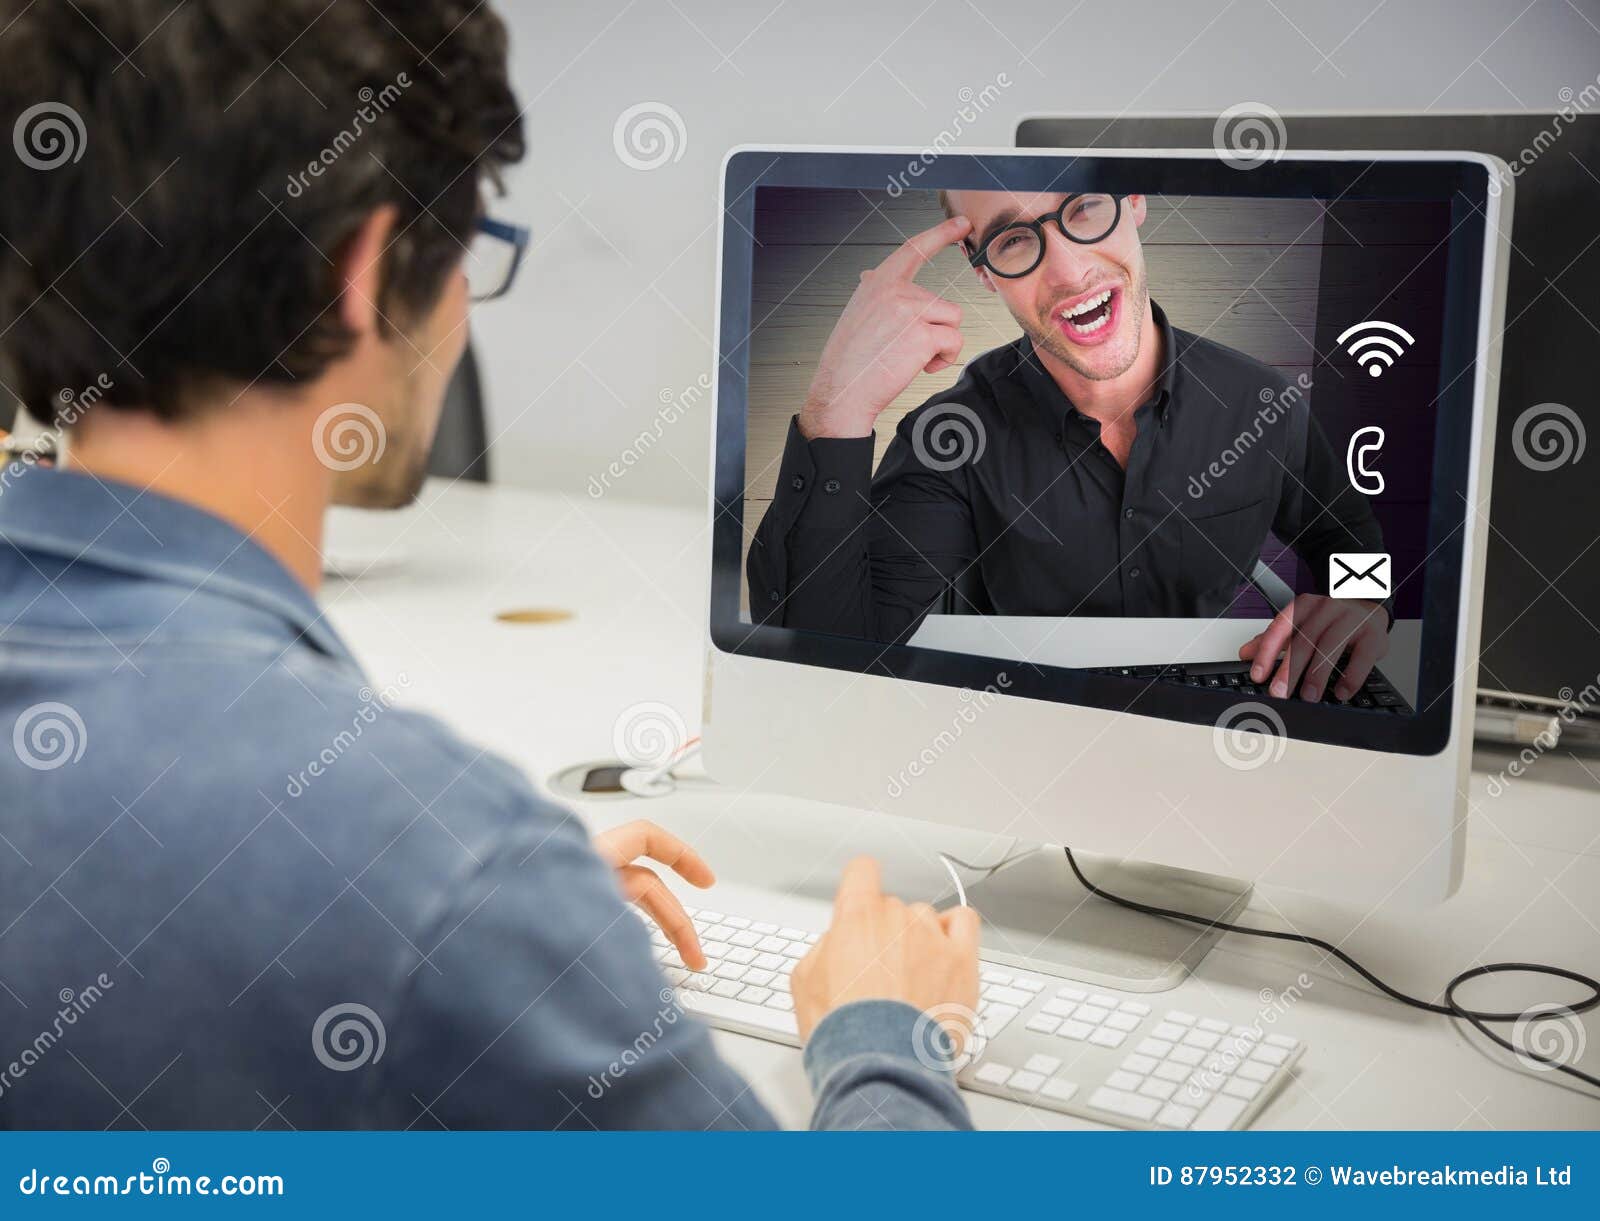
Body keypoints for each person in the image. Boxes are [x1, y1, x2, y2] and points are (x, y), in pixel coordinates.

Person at [0, 0, 978, 1130]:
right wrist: (886, 1036)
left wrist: (494, 935)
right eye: (471, 256)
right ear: (365, 270)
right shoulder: (426, 860)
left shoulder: (422, 866)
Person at [748, 189, 1391, 704]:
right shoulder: (950, 440)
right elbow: (827, 668)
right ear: (985, 275)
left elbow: (1349, 534)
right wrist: (838, 408)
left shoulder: (1260, 404)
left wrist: (1364, 598)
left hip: (1227, 725)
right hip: (1030, 732)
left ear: (1135, 201)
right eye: (1013, 239)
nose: (1067, 270)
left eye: (1084, 206)